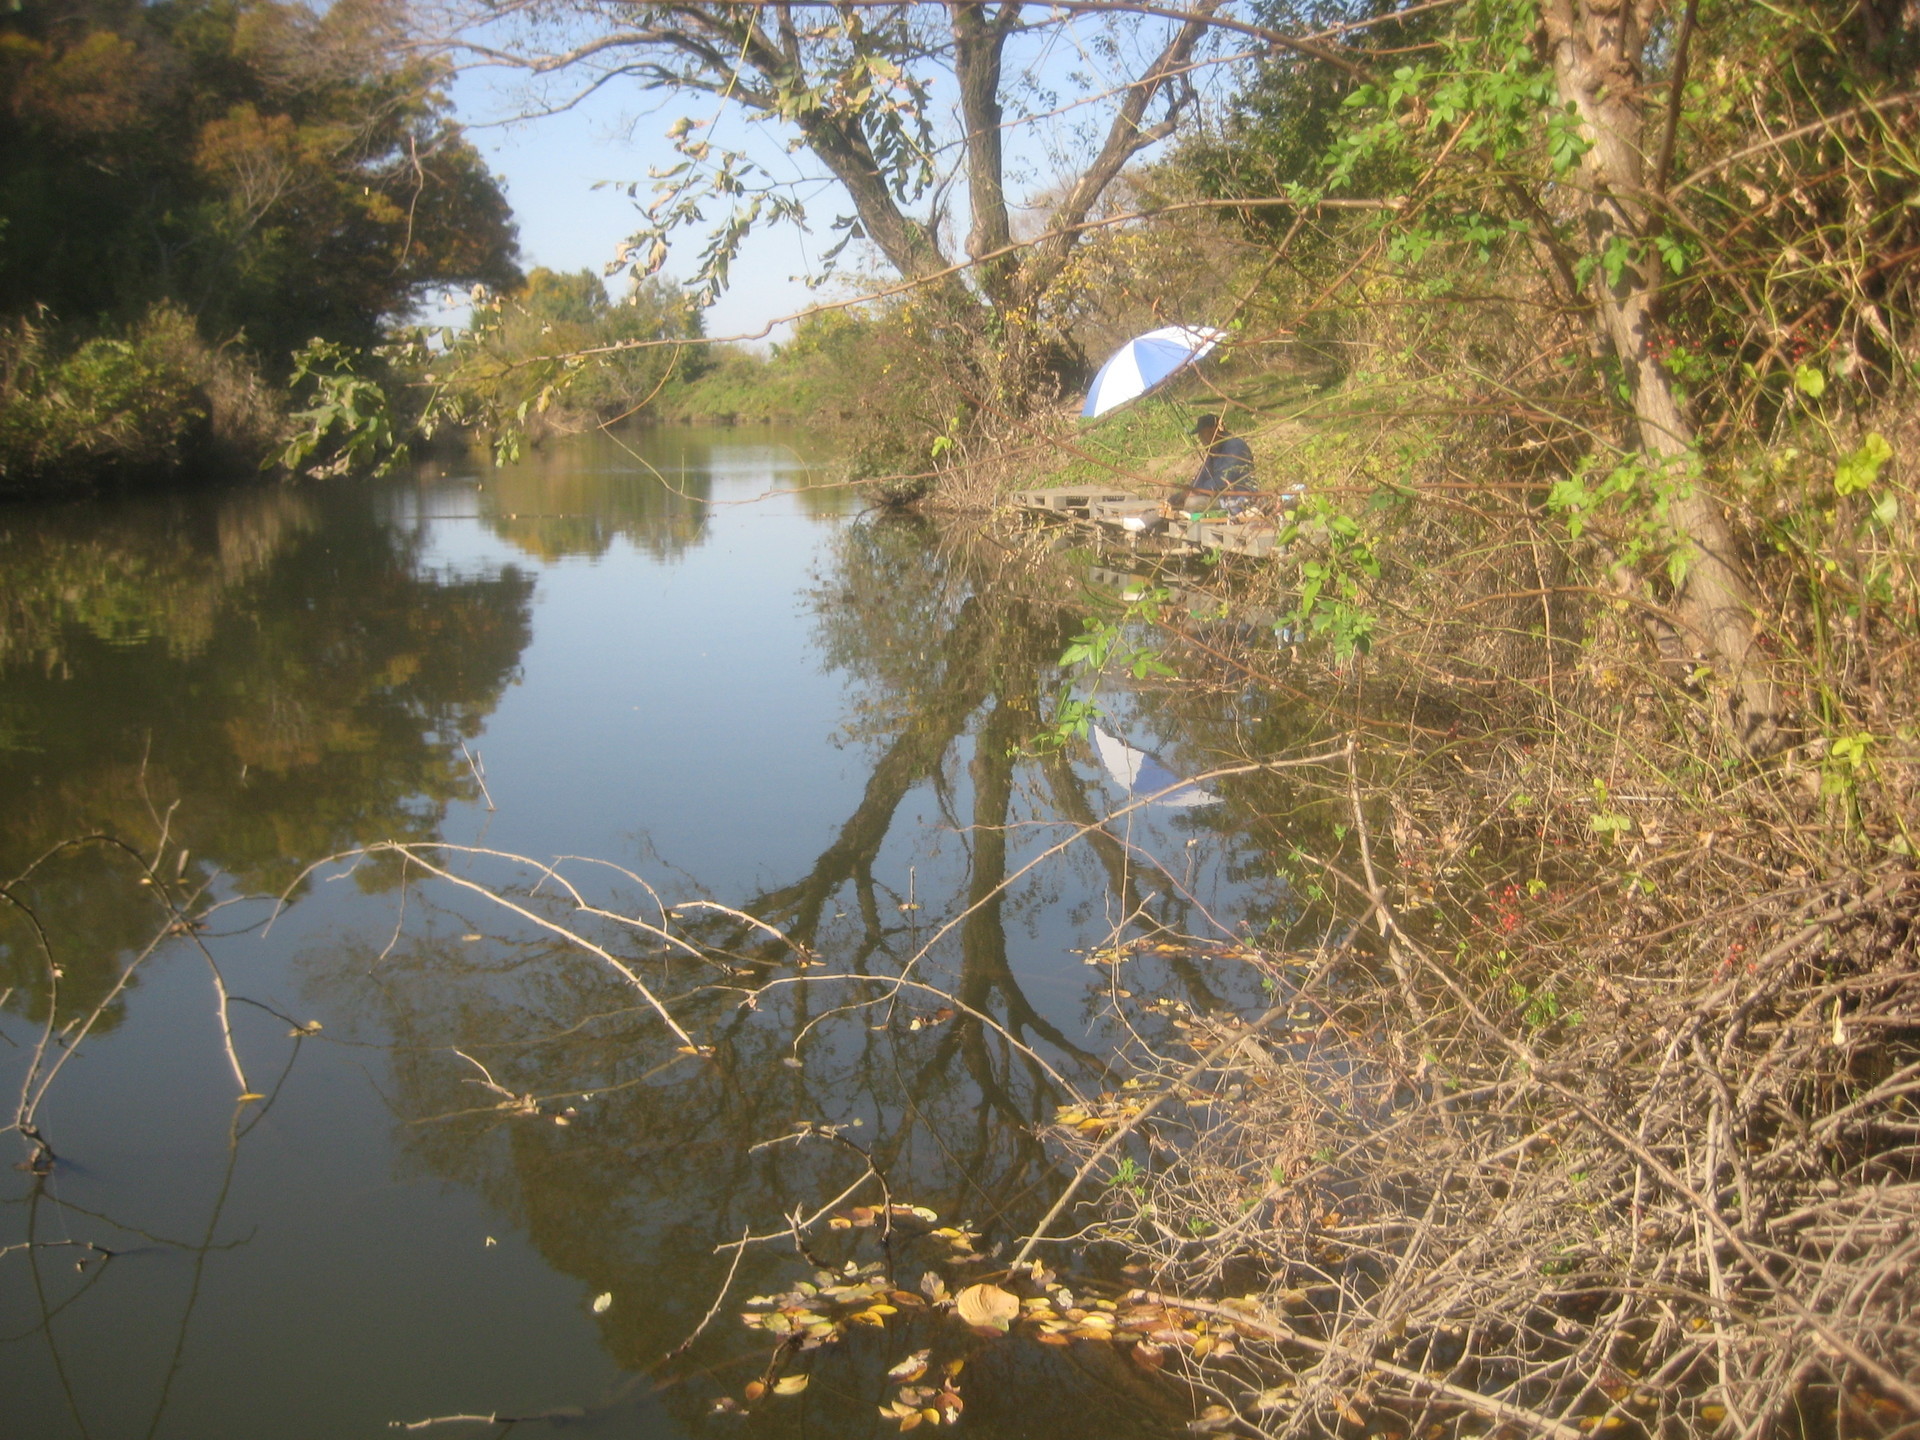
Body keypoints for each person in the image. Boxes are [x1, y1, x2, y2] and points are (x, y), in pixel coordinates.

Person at [1171, 413, 1256, 516]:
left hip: (1236, 500)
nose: (1200, 438)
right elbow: (1201, 477)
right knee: (1174, 501)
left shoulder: (1235, 446)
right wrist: (1186, 492)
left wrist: (1198, 491)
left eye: (1202, 433)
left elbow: (1224, 479)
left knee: (1192, 503)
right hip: (1219, 498)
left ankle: (1193, 529)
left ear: (1214, 430)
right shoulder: (1213, 451)